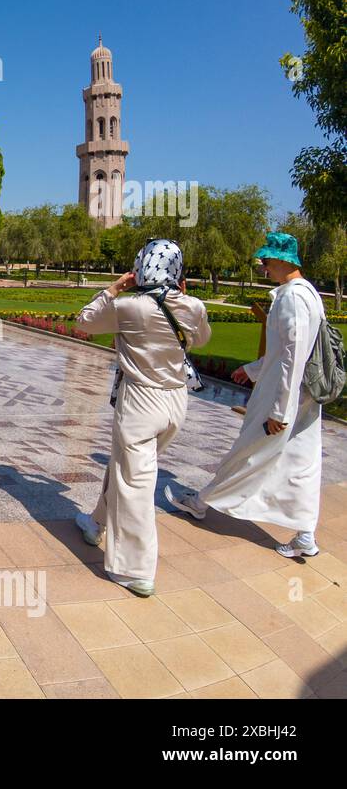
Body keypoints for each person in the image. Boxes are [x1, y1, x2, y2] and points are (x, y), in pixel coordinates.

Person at [167, 232, 325, 558]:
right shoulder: (308, 294)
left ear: (283, 260)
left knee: (248, 452)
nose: (263, 267)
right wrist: (252, 370)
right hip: (300, 395)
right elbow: (288, 351)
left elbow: (292, 357)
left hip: (283, 396)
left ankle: (200, 502)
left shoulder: (292, 298)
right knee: (300, 462)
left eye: (266, 261)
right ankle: (305, 534)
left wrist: (279, 410)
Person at [74, 239, 212, 597]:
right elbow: (202, 338)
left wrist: (115, 287)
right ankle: (95, 523)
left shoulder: (129, 306)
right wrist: (181, 297)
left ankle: (136, 570)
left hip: (140, 403)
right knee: (126, 468)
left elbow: (85, 322)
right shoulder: (193, 305)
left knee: (135, 483)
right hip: (175, 402)